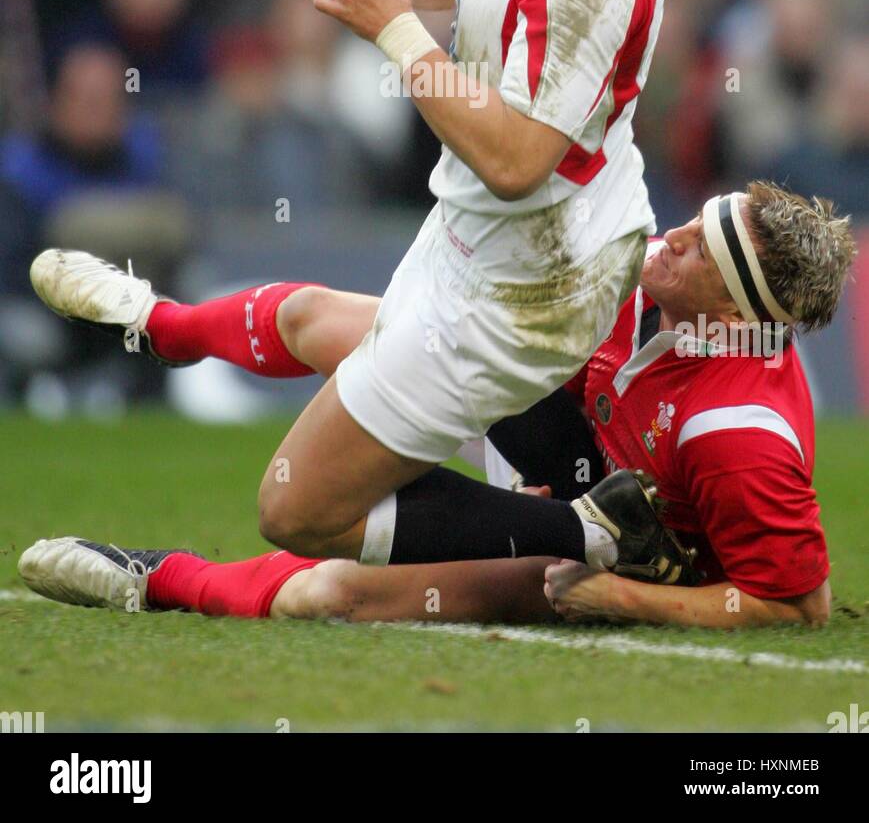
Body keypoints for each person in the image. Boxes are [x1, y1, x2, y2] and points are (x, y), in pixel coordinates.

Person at [29, 0, 680, 580]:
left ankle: (601, 534)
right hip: (500, 239)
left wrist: (393, 30)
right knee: (320, 329)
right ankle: (167, 328)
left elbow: (515, 159)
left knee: (298, 505)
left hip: (531, 283)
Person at [21, 182, 852, 630]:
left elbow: (797, 603)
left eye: (702, 250)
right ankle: (159, 324)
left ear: (735, 316)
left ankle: (159, 577)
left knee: (328, 594)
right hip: (571, 455)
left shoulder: (735, 435)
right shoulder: (641, 284)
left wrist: (631, 599)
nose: (672, 237)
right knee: (326, 321)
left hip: (622, 549)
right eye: (695, 222)